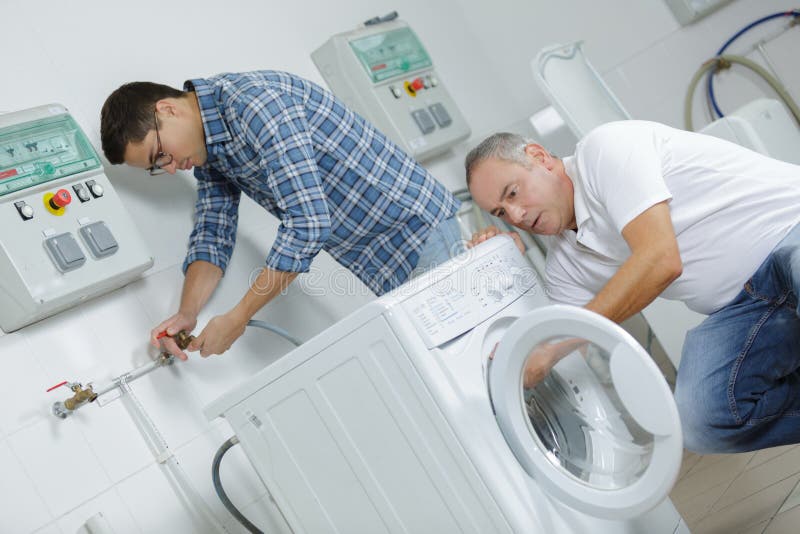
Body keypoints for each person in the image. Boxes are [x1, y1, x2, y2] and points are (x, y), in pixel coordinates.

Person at [465, 122, 800, 454]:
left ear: (539, 157)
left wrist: (552, 349)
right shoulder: (564, 265)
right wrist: (502, 264)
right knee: (702, 422)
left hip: (790, 235)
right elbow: (554, 348)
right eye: (501, 212)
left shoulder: (604, 150)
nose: (516, 215)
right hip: (745, 308)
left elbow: (660, 259)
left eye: (512, 193)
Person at [100, 70, 463, 360]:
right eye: (155, 168)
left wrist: (238, 318)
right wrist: (187, 312)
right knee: (452, 361)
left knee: (466, 357)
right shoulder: (211, 150)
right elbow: (214, 233)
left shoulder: (256, 105)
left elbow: (308, 225)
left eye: (158, 154)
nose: (168, 169)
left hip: (418, 233)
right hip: (378, 258)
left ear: (167, 109)